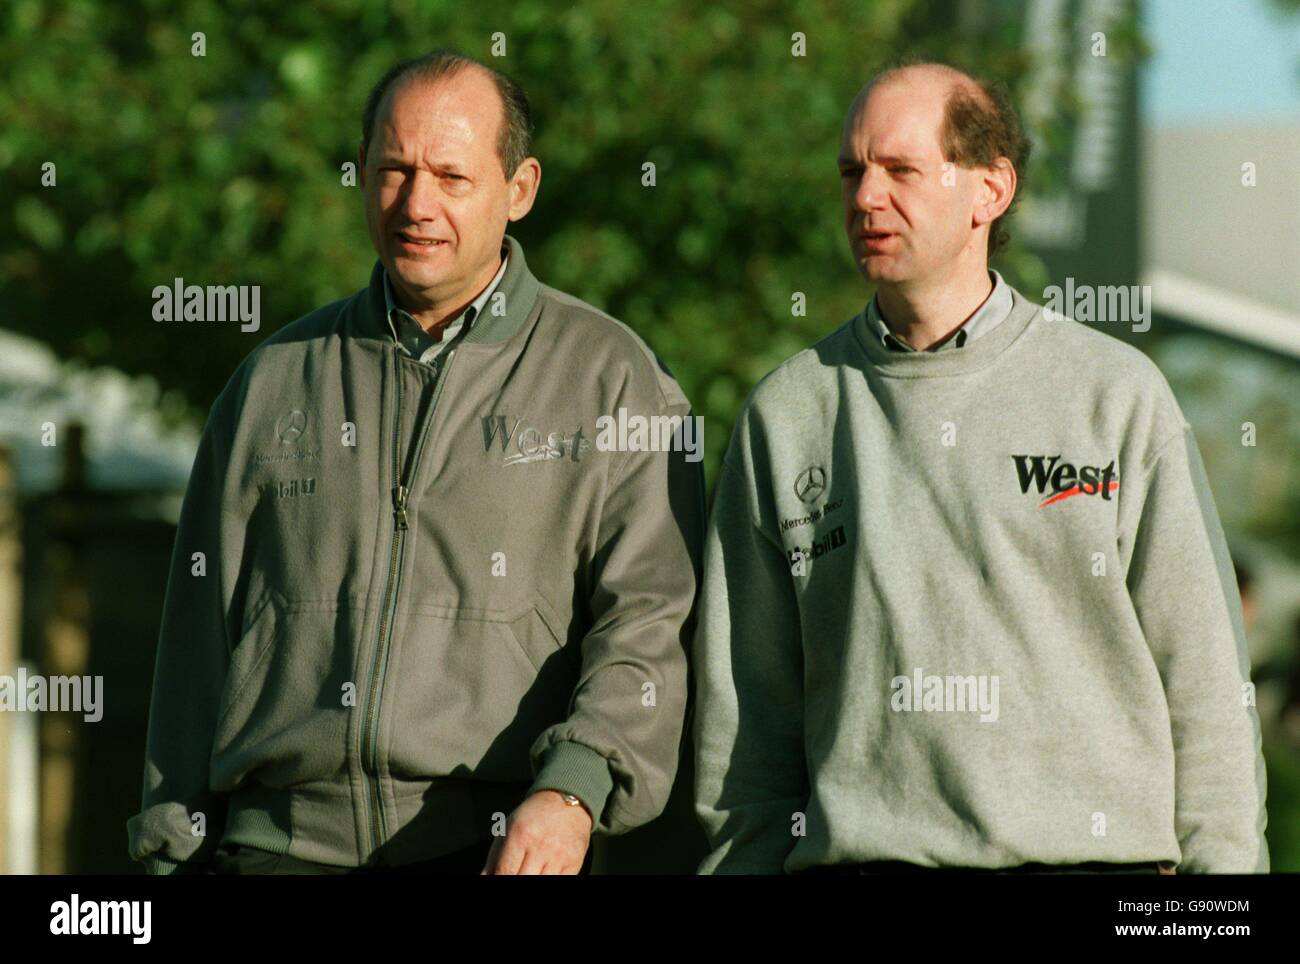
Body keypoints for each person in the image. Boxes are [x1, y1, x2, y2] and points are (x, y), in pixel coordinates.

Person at [127, 49, 704, 875]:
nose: (417, 203)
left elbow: (647, 622)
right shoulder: (270, 383)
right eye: (393, 170)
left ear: (521, 189)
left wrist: (574, 790)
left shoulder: (616, 380)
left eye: (452, 176)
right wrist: (170, 847)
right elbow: (195, 640)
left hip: (496, 849)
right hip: (272, 850)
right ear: (359, 174)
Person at [692, 61, 1269, 875]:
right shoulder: (786, 417)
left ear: (989, 190)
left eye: (899, 170)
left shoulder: (1115, 396)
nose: (864, 198)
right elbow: (746, 729)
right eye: (853, 172)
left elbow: (1207, 686)